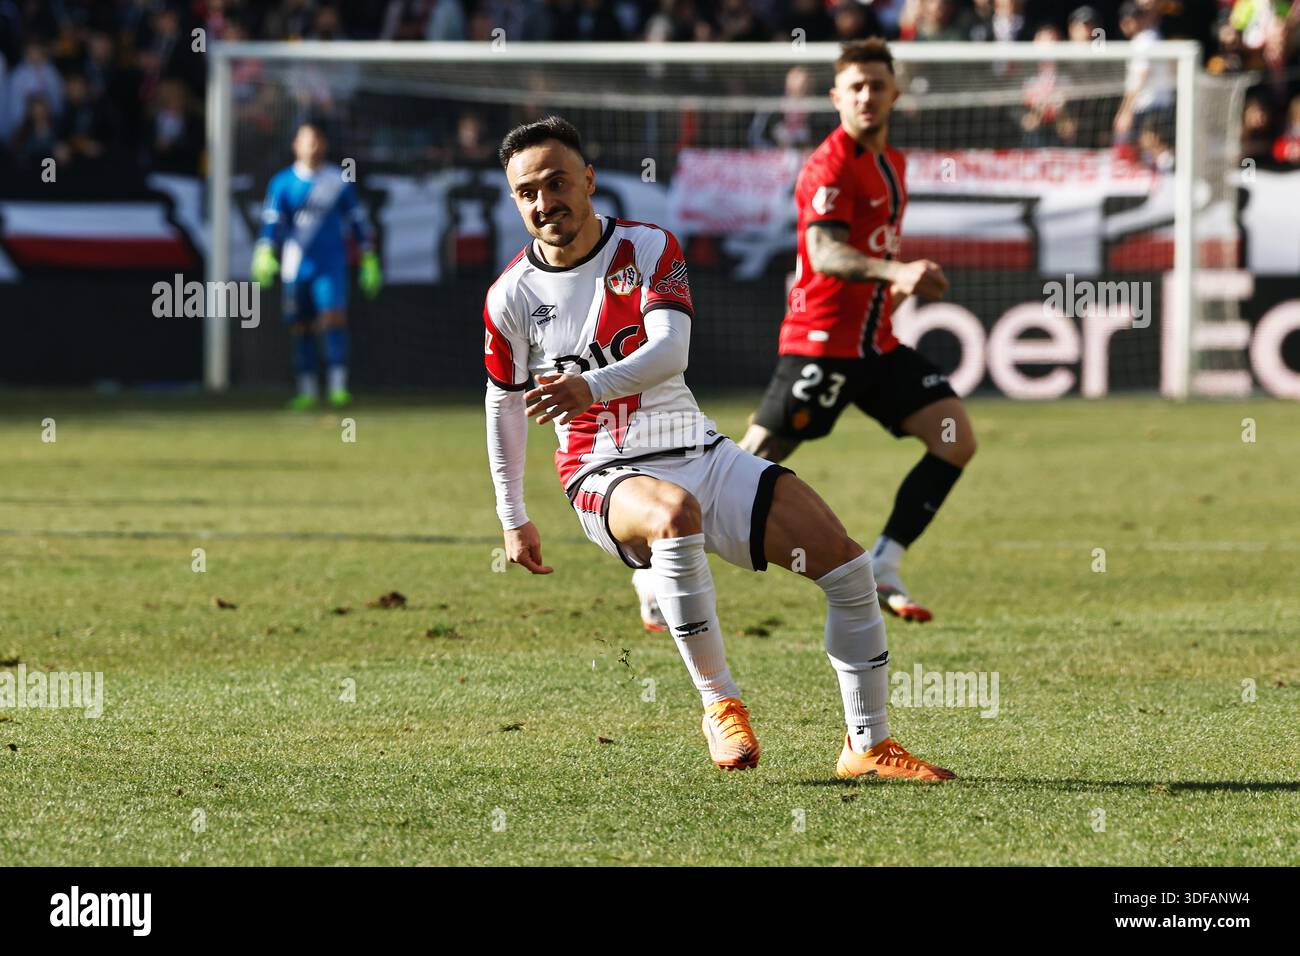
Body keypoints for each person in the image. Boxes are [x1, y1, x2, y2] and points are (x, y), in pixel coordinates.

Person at [483, 114, 954, 781]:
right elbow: (501, 400)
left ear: (588, 179)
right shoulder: (509, 295)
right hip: (601, 469)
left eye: (556, 182)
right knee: (673, 517)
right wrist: (512, 514)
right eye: (526, 192)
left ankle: (868, 746)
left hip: (698, 449)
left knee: (850, 572)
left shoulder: (647, 248)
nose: (543, 201)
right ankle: (719, 703)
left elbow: (669, 351)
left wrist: (588, 385)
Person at [735, 39, 975, 625]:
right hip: (821, 344)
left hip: (876, 346)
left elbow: (869, 255)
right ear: (836, 96)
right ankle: (662, 567)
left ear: (895, 93)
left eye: (877, 85)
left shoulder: (893, 163)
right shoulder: (830, 163)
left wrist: (901, 286)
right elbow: (823, 251)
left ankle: (886, 562)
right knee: (748, 467)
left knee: (954, 438)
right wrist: (898, 270)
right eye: (856, 86)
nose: (868, 95)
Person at [252, 121, 382, 409]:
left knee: (334, 320)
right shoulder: (282, 183)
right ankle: (307, 390)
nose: (311, 146)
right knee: (302, 327)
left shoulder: (338, 180)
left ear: (323, 144)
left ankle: (337, 387)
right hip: (295, 267)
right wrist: (264, 252)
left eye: (316, 140)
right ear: (295, 145)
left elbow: (358, 222)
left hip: (330, 265)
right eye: (306, 140)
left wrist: (368, 258)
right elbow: (272, 224)